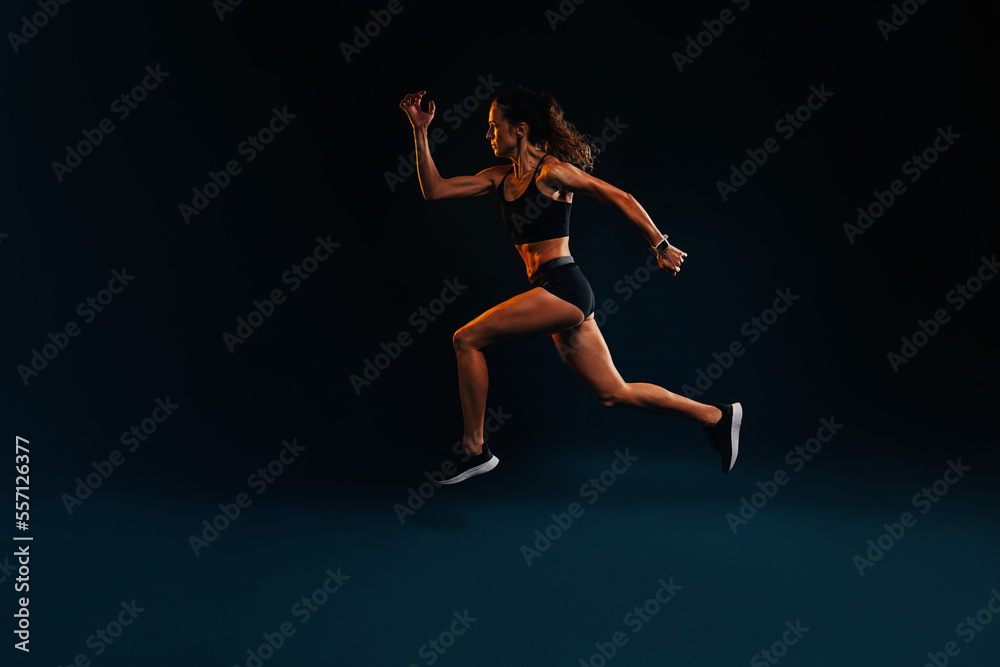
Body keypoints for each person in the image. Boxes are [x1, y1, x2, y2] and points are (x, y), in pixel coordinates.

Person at [399, 84, 741, 484]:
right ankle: (716, 415)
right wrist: (420, 131)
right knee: (614, 392)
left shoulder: (552, 172)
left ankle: (474, 450)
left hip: (563, 285)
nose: (489, 135)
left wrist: (660, 245)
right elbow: (434, 189)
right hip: (556, 289)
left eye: (495, 127)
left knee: (466, 339)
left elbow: (622, 197)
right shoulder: (499, 178)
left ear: (521, 129)